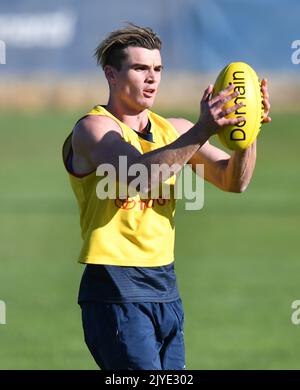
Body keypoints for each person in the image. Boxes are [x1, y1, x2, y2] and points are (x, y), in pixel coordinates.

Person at [62, 24, 271, 370]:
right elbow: (138, 176)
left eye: (157, 69)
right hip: (116, 288)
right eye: (140, 68)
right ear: (111, 74)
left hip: (165, 287)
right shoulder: (93, 128)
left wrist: (248, 130)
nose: (152, 78)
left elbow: (234, 181)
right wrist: (204, 129)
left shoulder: (173, 129)